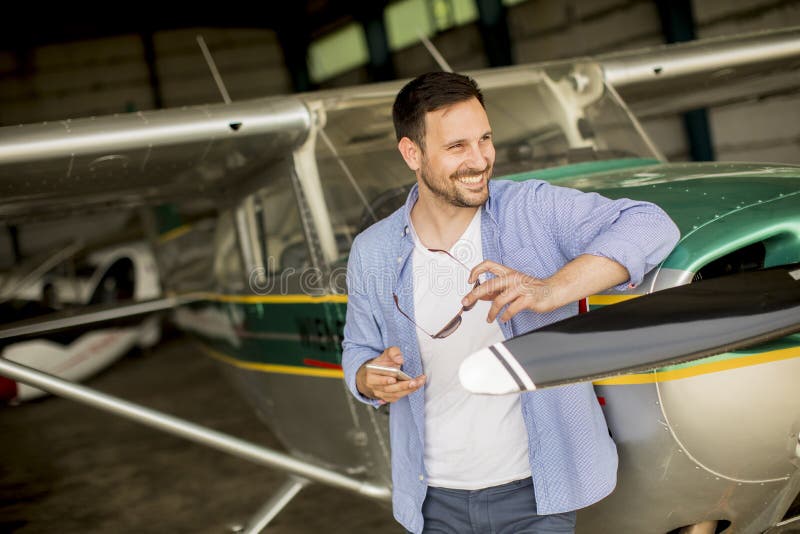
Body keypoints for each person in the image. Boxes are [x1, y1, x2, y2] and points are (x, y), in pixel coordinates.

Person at [342, 71, 680, 533]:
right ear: (411, 153)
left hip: (536, 494)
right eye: (457, 146)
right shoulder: (373, 251)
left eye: (485, 139)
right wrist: (367, 377)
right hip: (432, 503)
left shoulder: (530, 209)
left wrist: (552, 288)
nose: (480, 160)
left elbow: (651, 224)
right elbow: (357, 350)